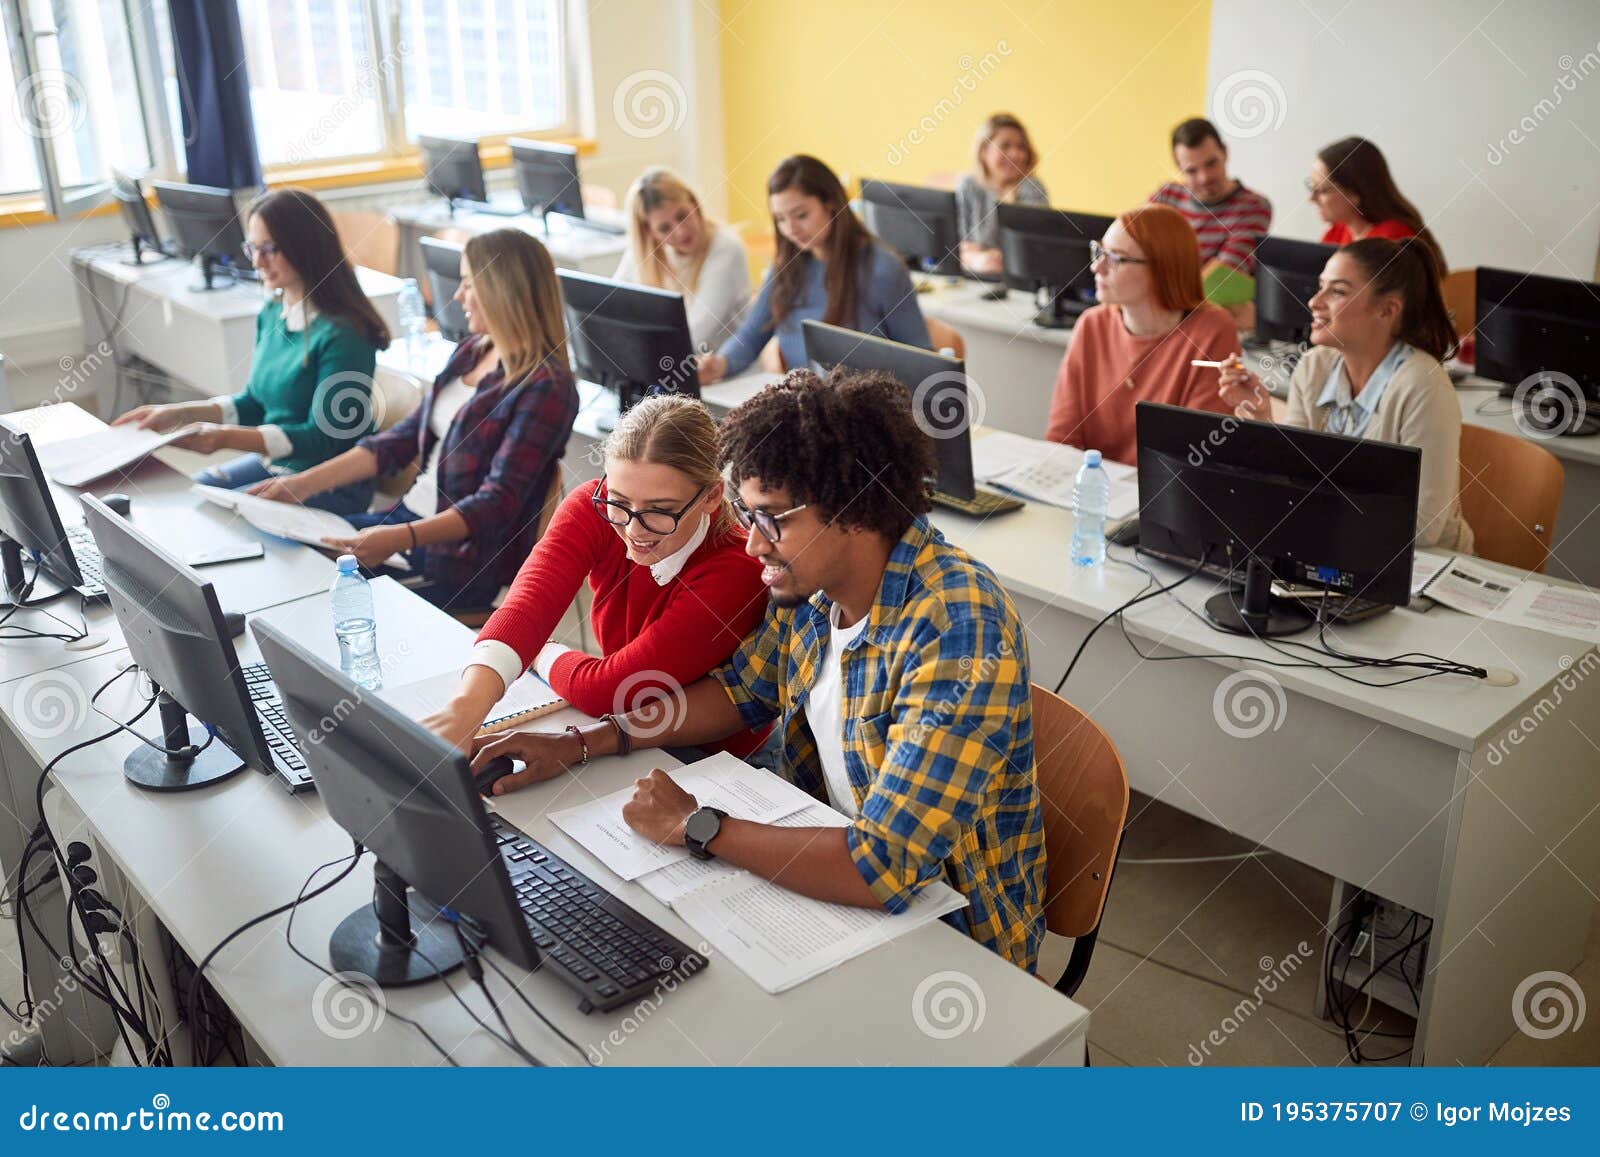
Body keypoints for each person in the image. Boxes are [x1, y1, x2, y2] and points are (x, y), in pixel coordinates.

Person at [464, 371, 1047, 971]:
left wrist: (698, 826)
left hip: (952, 935)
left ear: (853, 509)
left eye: (773, 520)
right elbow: (739, 691)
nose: (752, 545)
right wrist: (582, 743)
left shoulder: (955, 627)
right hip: (822, 863)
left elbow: (885, 867)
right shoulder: (817, 588)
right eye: (750, 514)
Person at [422, 393, 771, 756]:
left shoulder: (737, 570)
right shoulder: (595, 506)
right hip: (622, 732)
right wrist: (462, 710)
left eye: (659, 510)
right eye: (619, 501)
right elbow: (526, 607)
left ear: (711, 496)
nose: (633, 530)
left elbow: (608, 691)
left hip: (712, 760)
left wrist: (540, 651)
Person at [248, 229, 579, 609]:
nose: (458, 296)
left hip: (458, 562)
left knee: (312, 587)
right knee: (284, 553)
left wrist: (399, 537)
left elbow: (495, 503)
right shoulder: (472, 351)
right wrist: (300, 485)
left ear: (503, 292)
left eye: (469, 284)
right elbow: (398, 441)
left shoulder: (547, 388)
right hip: (407, 525)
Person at [114, 188, 390, 515]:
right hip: (280, 465)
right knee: (193, 500)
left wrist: (225, 438)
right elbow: (256, 402)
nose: (257, 261)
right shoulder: (273, 312)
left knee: (216, 514)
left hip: (328, 481)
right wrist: (181, 413)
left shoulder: (346, 334)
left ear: (306, 246)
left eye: (269, 249)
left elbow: (322, 440)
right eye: (253, 248)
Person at [1217, 238, 1473, 552]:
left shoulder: (1424, 386)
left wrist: (1314, 511)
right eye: (1320, 287)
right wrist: (1262, 420)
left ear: (1387, 310)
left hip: (1419, 563)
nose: (1314, 301)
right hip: (1335, 547)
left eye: (1337, 291)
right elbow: (1292, 480)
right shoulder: (1314, 366)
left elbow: (1422, 528)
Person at [697, 155, 930, 384]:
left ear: (831, 204)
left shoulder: (882, 269)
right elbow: (751, 336)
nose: (791, 229)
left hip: (867, 403)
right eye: (780, 219)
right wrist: (720, 364)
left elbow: (921, 358)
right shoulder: (786, 269)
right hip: (806, 400)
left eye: (801, 215)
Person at [1044, 204, 1238, 464]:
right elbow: (1062, 439)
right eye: (1099, 252)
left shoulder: (1212, 330)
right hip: (1093, 482)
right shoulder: (1091, 325)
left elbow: (1196, 458)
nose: (1096, 268)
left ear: (1162, 269)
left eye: (1116, 258)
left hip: (1164, 488)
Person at [614, 167, 751, 352]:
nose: (680, 232)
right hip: (673, 361)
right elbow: (612, 306)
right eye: (664, 228)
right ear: (650, 233)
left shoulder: (726, 249)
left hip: (723, 365)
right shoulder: (644, 253)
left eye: (682, 216)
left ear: (694, 203)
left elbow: (694, 334)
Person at [1148, 117, 1273, 277]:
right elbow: (1130, 247)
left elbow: (1220, 280)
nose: (1204, 178)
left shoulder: (1253, 207)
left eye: (1211, 163)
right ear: (1179, 167)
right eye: (1191, 170)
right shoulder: (1167, 195)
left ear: (1225, 152)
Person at [1309, 137, 1446, 275]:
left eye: (1322, 190)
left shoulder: (1392, 241)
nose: (1311, 199)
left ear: (1355, 193)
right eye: (1311, 187)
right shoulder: (1337, 232)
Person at [955, 113, 1049, 277]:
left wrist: (1006, 204)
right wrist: (978, 259)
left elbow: (1033, 251)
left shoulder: (1032, 188)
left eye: (1021, 147)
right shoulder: (969, 185)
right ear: (984, 151)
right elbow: (958, 245)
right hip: (974, 276)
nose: (1015, 154)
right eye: (1005, 146)